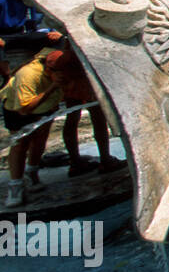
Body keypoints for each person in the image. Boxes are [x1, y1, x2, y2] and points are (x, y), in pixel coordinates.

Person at [2, 43, 67, 207]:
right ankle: (15, 186)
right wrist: (52, 87)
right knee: (20, 144)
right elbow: (24, 109)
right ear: (48, 70)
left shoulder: (59, 59)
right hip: (19, 108)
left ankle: (32, 173)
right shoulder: (28, 75)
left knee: (40, 139)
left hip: (46, 106)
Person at [51, 50, 125, 178]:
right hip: (85, 74)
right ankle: (105, 160)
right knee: (98, 119)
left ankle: (75, 162)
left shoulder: (67, 42)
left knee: (73, 117)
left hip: (72, 76)